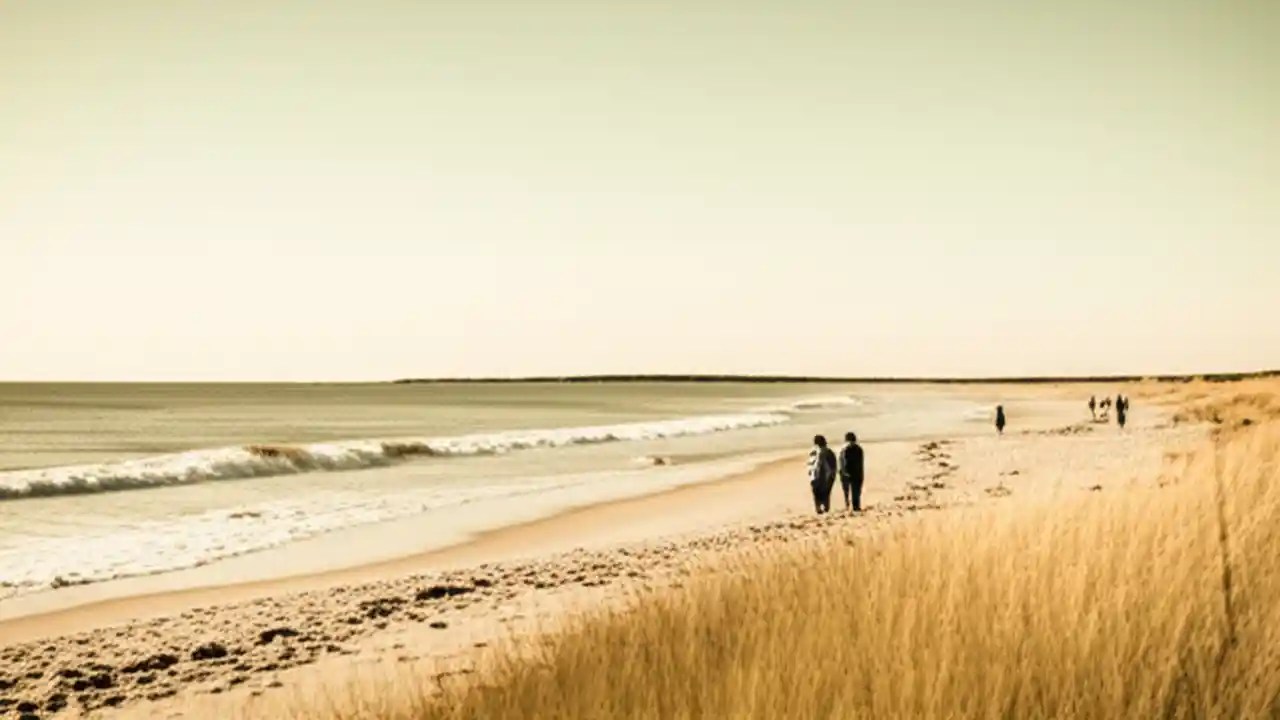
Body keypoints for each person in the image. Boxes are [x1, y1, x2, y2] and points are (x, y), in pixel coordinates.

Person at [807, 434, 837, 514]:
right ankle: (824, 510)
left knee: (818, 494)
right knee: (825, 495)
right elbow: (833, 466)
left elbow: (810, 465)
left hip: (817, 477)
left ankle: (820, 510)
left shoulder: (815, 452)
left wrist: (810, 475)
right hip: (824, 477)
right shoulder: (829, 452)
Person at [838, 431, 865, 512]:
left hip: (846, 473)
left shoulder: (844, 449)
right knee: (856, 491)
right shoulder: (859, 448)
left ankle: (848, 505)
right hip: (858, 472)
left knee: (847, 491)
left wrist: (843, 472)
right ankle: (856, 506)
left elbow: (843, 462)